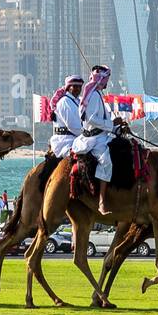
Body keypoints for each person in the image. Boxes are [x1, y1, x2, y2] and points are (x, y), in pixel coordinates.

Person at [71, 65, 116, 215]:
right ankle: (102, 202)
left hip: (100, 134)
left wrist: (115, 125)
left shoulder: (95, 93)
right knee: (106, 162)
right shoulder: (95, 95)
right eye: (107, 78)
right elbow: (92, 119)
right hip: (95, 139)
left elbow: (102, 118)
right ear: (103, 79)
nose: (108, 81)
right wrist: (111, 124)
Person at [47, 74, 85, 159]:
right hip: (66, 141)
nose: (78, 89)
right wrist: (89, 135)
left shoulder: (77, 101)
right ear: (68, 87)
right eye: (75, 86)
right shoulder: (65, 101)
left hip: (76, 138)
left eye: (80, 87)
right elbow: (73, 126)